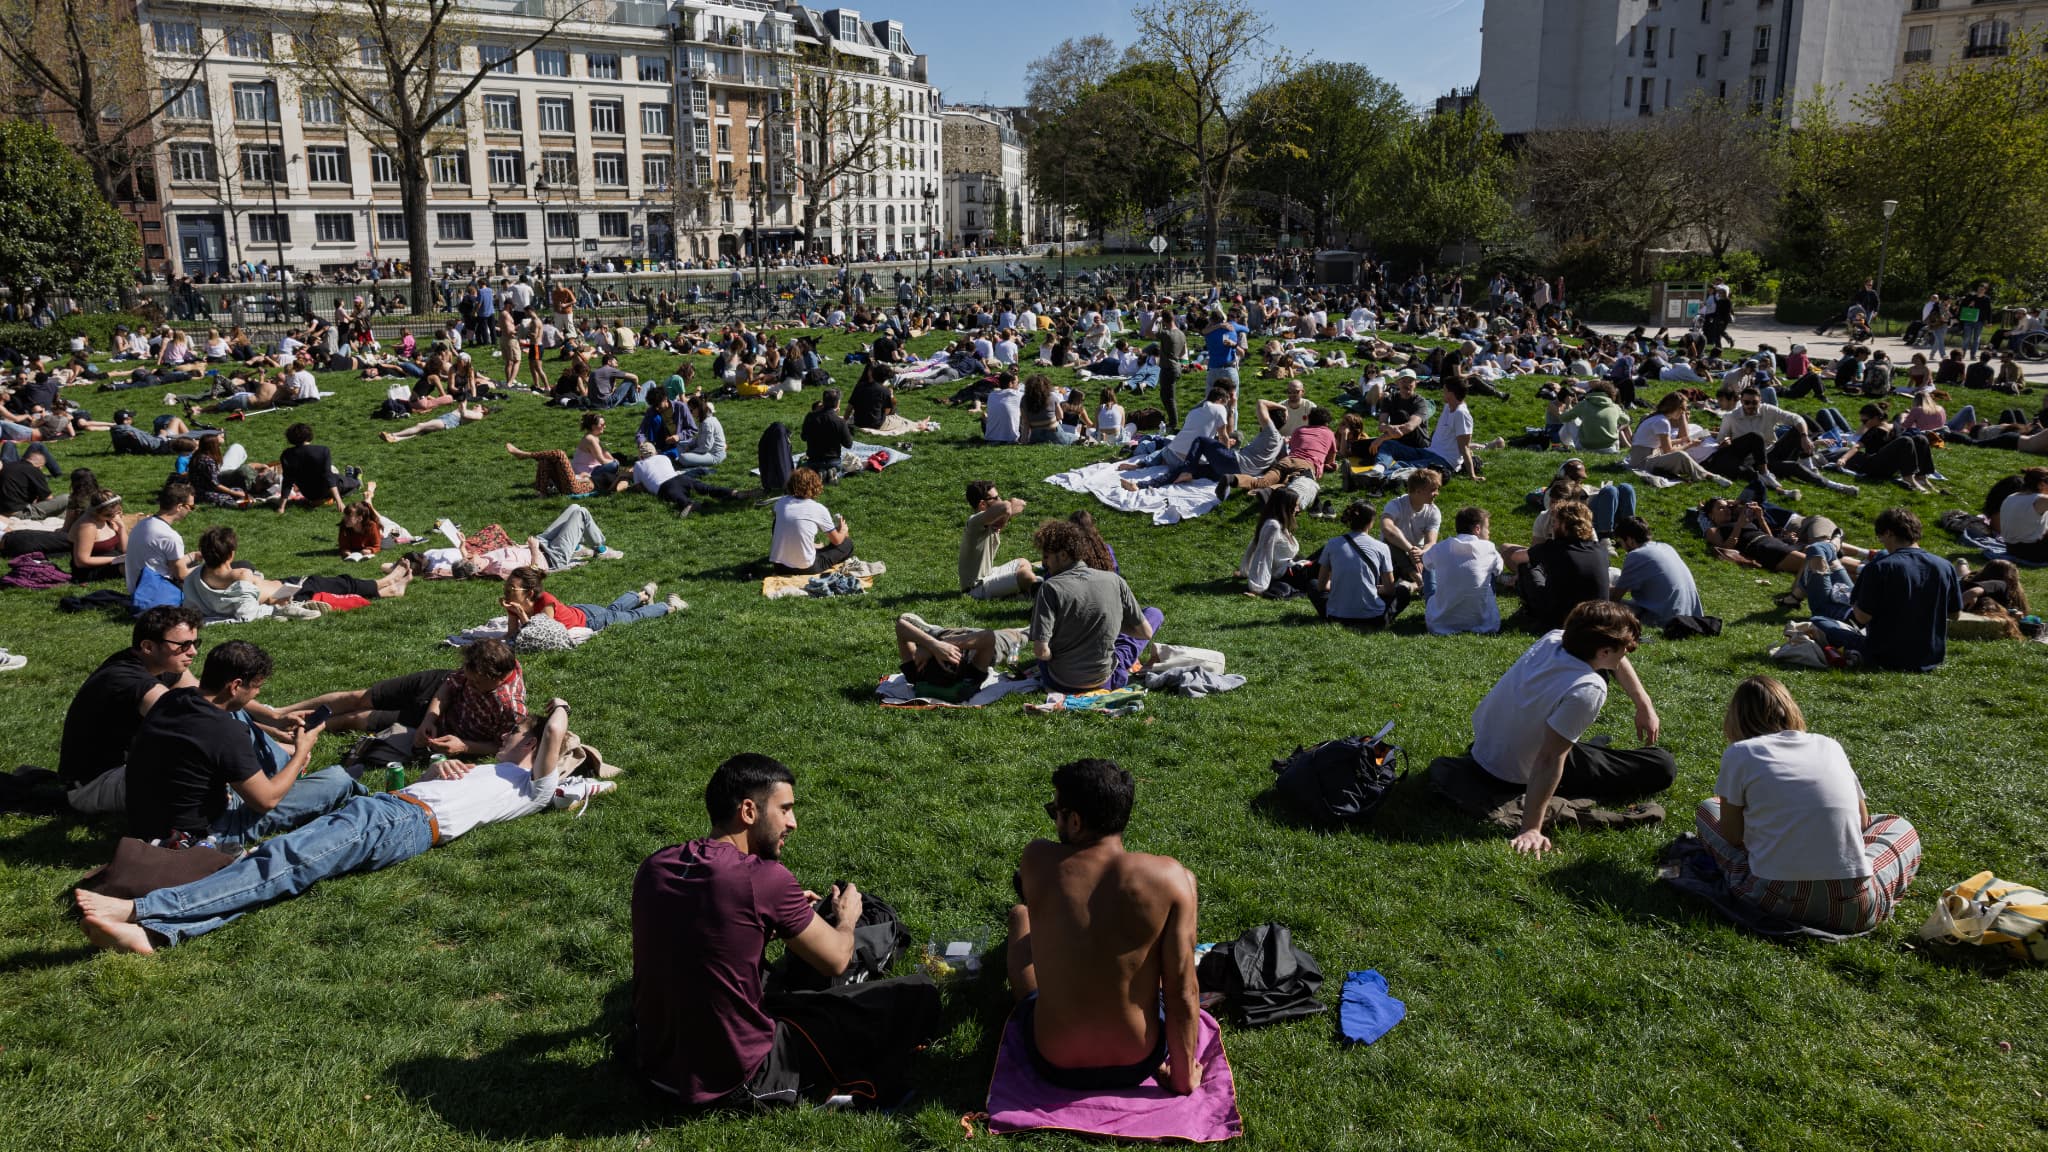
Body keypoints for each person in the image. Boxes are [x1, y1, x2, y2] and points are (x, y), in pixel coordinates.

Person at [77, 701, 600, 953]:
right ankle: (159, 933)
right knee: (284, 870)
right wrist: (434, 770)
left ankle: (144, 909)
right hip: (396, 811)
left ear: (532, 747)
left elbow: (556, 729)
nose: (506, 736)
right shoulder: (501, 777)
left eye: (515, 733)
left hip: (397, 821)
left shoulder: (534, 786)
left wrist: (556, 710)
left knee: (280, 861)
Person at [630, 754, 940, 1108]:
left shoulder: (656, 865)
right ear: (749, 811)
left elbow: (702, 931)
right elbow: (836, 960)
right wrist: (846, 917)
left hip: (656, 1066)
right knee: (917, 994)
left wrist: (767, 924)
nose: (792, 823)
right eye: (785, 809)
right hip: (733, 1077)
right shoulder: (761, 878)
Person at [1007, 758, 1201, 1094]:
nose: (1054, 819)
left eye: (1056, 811)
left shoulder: (1037, 859)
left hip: (1053, 1062)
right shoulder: (1171, 879)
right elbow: (1182, 990)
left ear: (1076, 820)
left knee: (1020, 915)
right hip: (1138, 1061)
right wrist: (1183, 1080)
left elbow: (1040, 906)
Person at [1694, 677, 1922, 934]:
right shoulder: (1829, 745)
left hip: (1773, 900)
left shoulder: (1740, 753)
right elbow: (1863, 823)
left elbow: (1733, 837)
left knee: (1708, 809)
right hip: (1852, 908)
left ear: (1736, 717)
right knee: (1897, 826)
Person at [1470, 601, 1674, 856]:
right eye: (1624, 650)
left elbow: (1613, 658)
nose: (1626, 655)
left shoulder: (1556, 639)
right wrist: (1531, 828)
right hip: (1514, 773)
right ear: (1604, 651)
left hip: (1485, 750)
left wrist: (1644, 705)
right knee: (1661, 765)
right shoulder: (1588, 688)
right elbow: (1548, 758)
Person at [123, 639, 360, 849]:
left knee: (236, 713)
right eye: (256, 687)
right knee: (336, 780)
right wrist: (301, 752)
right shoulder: (225, 731)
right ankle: (361, 792)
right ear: (235, 685)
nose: (256, 694)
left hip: (145, 821)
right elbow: (265, 802)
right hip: (202, 832)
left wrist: (276, 719)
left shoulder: (172, 699)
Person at [58, 606, 204, 815]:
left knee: (227, 720)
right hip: (92, 786)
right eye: (183, 645)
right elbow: (189, 723)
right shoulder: (128, 680)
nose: (193, 651)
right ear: (148, 646)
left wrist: (267, 716)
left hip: (128, 766)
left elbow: (207, 699)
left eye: (194, 643)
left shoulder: (160, 663)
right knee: (192, 765)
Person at [1804, 507, 1961, 672]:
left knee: (1818, 621)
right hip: (1930, 657)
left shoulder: (1880, 567)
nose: (1881, 541)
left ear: (1889, 533)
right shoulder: (1945, 566)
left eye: (1880, 536)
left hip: (1885, 656)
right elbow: (1954, 614)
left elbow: (1862, 617)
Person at [1029, 519, 1160, 694]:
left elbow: (1041, 652)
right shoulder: (1115, 580)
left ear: (1063, 555)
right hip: (1106, 679)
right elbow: (1145, 632)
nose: (1044, 564)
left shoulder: (1050, 588)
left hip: (1061, 682)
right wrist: (1110, 625)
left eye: (1046, 557)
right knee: (1154, 614)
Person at [502, 568, 681, 646]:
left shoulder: (545, 601)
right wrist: (512, 613)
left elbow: (542, 634)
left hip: (590, 620)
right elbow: (511, 636)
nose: (506, 591)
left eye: (511, 588)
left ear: (530, 593)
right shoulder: (519, 604)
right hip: (583, 611)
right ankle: (643, 595)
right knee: (613, 611)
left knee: (633, 617)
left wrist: (520, 614)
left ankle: (670, 606)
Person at [1315, 499, 1411, 628]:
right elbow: (1389, 590)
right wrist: (1372, 588)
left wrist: (1344, 585)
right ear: (1371, 522)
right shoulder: (1382, 547)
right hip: (1374, 618)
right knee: (1403, 591)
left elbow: (1321, 586)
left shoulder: (1332, 544)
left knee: (1312, 585)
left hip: (1336, 616)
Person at [1518, 501, 1609, 633]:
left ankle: (1529, 613)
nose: (1553, 526)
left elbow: (1517, 557)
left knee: (1526, 566)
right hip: (1598, 619)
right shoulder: (1600, 550)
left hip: (1562, 621)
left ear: (1564, 525)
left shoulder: (1553, 548)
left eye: (1555, 522)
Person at [1421, 506, 1504, 635]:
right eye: (1487, 528)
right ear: (1477, 529)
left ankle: (1440, 607)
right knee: (1491, 570)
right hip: (1483, 622)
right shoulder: (1489, 547)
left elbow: (1425, 562)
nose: (1489, 532)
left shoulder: (1440, 548)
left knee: (1429, 567)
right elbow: (1499, 570)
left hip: (1440, 623)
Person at [1609, 517, 1703, 628]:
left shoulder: (1636, 555)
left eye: (1621, 542)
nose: (1623, 547)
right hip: (1692, 616)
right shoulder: (1666, 547)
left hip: (1665, 620)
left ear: (1630, 540)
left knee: (1599, 602)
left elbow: (1614, 598)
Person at [960, 480, 1038, 599]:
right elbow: (1006, 506)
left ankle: (1018, 594)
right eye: (995, 498)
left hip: (989, 574)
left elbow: (1020, 503)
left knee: (1023, 562)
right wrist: (1005, 516)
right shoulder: (974, 522)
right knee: (1025, 576)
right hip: (975, 588)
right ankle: (1031, 595)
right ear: (982, 505)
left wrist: (1003, 518)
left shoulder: (990, 521)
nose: (1000, 500)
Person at [769, 468, 851, 575]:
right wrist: (843, 530)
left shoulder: (781, 503)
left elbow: (791, 526)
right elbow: (837, 541)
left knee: (779, 521)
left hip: (779, 566)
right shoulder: (818, 508)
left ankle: (801, 549)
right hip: (807, 568)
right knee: (847, 544)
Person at [123, 481, 198, 595]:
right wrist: (205, 568)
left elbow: (163, 561)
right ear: (179, 507)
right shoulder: (170, 536)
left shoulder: (142, 524)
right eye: (191, 507)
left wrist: (193, 556)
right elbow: (182, 575)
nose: (191, 511)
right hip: (158, 592)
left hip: (137, 588)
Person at [1379, 470, 1442, 596]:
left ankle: (1414, 584)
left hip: (1417, 555)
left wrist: (1422, 552)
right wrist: (1410, 549)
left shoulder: (1433, 511)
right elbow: (1387, 528)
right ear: (1418, 491)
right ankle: (1418, 579)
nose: (1436, 494)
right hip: (1393, 555)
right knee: (1389, 543)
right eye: (1433, 490)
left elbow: (1431, 542)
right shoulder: (1396, 505)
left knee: (1436, 553)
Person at [276, 423, 359, 509]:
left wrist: (281, 507)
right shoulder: (322, 450)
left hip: (309, 494)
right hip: (325, 490)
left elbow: (287, 481)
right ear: (309, 435)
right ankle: (355, 480)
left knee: (337, 478)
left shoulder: (286, 455)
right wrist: (339, 501)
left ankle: (347, 480)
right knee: (353, 484)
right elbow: (328, 477)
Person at [1238, 489, 1303, 598]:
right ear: (1285, 506)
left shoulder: (1281, 525)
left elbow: (1254, 544)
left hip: (1294, 567)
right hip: (1286, 573)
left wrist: (1244, 570)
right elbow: (1262, 556)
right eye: (1295, 505)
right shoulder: (1273, 526)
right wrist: (1257, 587)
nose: (1298, 509)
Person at [1996, 466, 2048, 565]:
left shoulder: (2011, 497)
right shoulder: (2041, 499)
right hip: (2034, 553)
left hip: (2011, 549)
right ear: (2041, 485)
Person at [0, 442, 65, 518]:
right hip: (19, 513)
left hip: (3, 510)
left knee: (9, 444)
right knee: (66, 498)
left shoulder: (6, 466)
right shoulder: (34, 471)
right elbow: (48, 498)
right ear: (40, 467)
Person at [799, 390, 854, 478]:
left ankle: (819, 472)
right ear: (837, 404)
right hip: (833, 461)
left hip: (813, 461)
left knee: (803, 466)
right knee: (845, 466)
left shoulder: (810, 417)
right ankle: (831, 473)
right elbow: (848, 444)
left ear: (823, 401)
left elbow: (803, 437)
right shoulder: (840, 422)